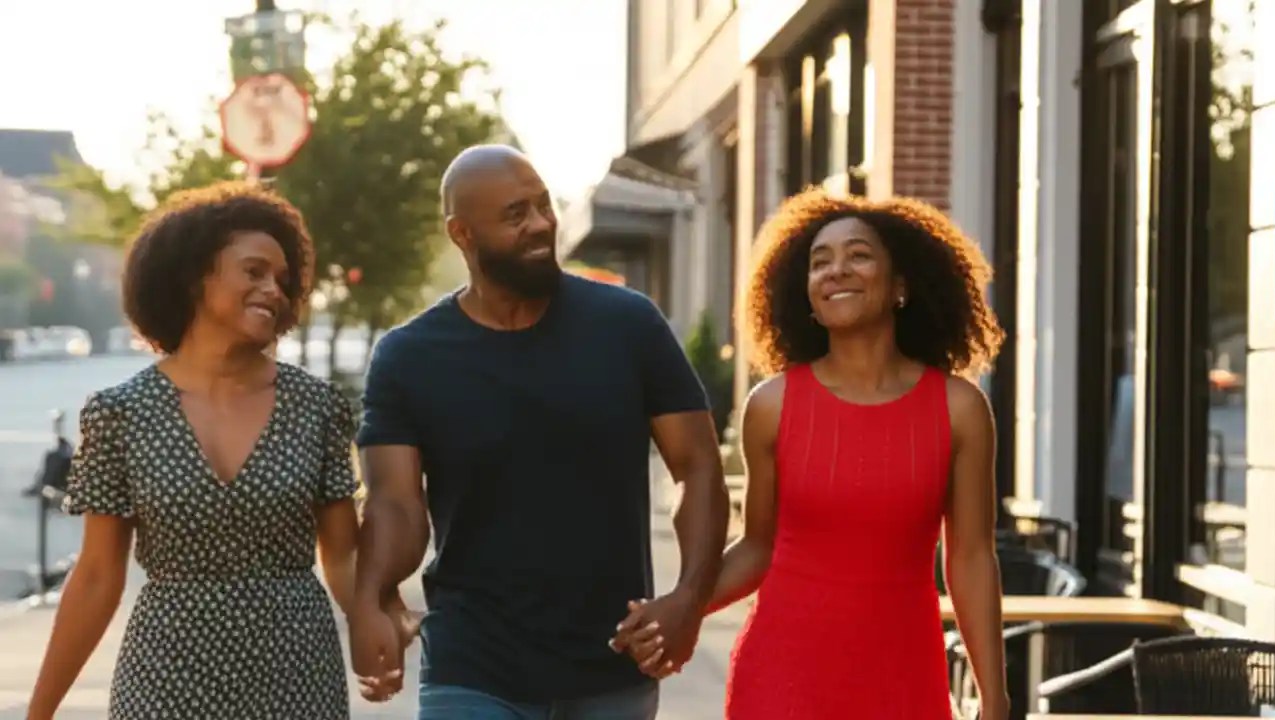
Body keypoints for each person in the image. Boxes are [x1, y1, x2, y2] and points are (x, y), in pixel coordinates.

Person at [348, 144, 730, 719]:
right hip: (472, 661)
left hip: (610, 663)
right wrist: (372, 597)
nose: (541, 225)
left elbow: (698, 467)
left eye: (543, 206)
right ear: (462, 233)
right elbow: (397, 504)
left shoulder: (628, 326)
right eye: (515, 214)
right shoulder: (409, 357)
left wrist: (688, 600)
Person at [25, 181, 414, 720]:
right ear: (193, 276)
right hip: (164, 678)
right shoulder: (119, 413)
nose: (274, 291)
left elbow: (342, 553)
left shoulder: (316, 406)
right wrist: (39, 712)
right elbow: (95, 576)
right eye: (253, 272)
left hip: (295, 675)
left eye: (282, 280)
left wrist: (373, 615)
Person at [617, 189, 1011, 718]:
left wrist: (995, 697)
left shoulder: (960, 408)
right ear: (805, 294)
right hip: (783, 677)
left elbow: (970, 558)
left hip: (904, 677)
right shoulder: (772, 406)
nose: (836, 270)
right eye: (820, 262)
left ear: (900, 286)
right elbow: (757, 547)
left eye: (859, 255)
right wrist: (681, 608)